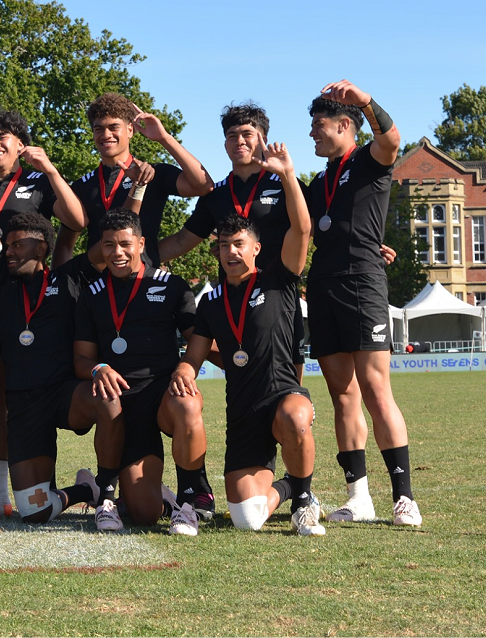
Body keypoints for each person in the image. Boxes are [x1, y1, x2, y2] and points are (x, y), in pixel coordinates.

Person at [173, 137, 326, 536]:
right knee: (246, 518)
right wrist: (184, 373)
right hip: (242, 412)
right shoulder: (210, 303)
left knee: (295, 417)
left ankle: (305, 502)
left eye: (239, 244)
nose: (231, 252)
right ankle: (290, 484)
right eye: (224, 246)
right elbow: (195, 356)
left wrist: (289, 175)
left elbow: (303, 226)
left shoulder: (279, 279)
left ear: (257, 248)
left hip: (282, 396)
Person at [0, 125, 117, 524]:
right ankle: (82, 489)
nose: (9, 250)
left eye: (18, 244)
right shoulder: (0, 280)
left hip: (65, 394)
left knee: (109, 400)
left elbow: (110, 242)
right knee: (34, 512)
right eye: (8, 245)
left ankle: (108, 490)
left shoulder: (69, 276)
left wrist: (134, 190)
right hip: (26, 404)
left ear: (43, 247)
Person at [305, 80, 421, 526]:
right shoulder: (319, 181)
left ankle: (404, 497)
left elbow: (392, 139)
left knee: (375, 390)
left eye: (319, 126)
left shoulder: (370, 161)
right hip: (324, 287)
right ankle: (359, 497)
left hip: (363, 285)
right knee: (343, 395)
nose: (313, 133)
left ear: (344, 125)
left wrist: (367, 101)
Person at [73, 210, 212, 534]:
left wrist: (185, 368)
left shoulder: (172, 286)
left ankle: (189, 503)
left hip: (164, 396)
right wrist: (99, 368)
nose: (117, 252)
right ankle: (154, 498)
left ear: (141, 243)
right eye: (109, 245)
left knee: (188, 402)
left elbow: (199, 342)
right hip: (123, 407)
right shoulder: (91, 294)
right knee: (144, 513)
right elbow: (81, 358)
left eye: (125, 244)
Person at [159, 102, 307, 373]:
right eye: (231, 135)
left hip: (278, 294)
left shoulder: (286, 183)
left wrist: (365, 246)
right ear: (225, 144)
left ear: (263, 138)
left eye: (247, 134)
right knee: (240, 374)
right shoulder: (216, 195)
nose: (239, 141)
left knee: (290, 382)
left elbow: (312, 226)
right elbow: (182, 241)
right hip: (234, 298)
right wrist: (139, 257)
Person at [67, 93, 214, 270]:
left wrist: (164, 138)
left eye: (114, 127)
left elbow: (204, 185)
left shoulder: (154, 174)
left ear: (130, 130)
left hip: (144, 284)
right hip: (97, 287)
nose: (106, 134)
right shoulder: (82, 185)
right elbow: (66, 243)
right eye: (99, 129)